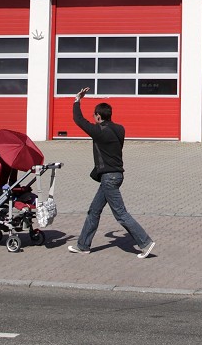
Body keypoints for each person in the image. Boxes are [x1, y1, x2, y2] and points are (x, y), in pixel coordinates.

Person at [67, 86, 156, 258]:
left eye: (94, 116)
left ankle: (145, 242)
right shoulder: (120, 129)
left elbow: (78, 120)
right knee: (94, 210)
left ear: (98, 116)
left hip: (109, 178)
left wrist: (77, 100)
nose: (93, 119)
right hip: (116, 175)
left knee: (121, 213)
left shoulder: (99, 131)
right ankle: (83, 245)